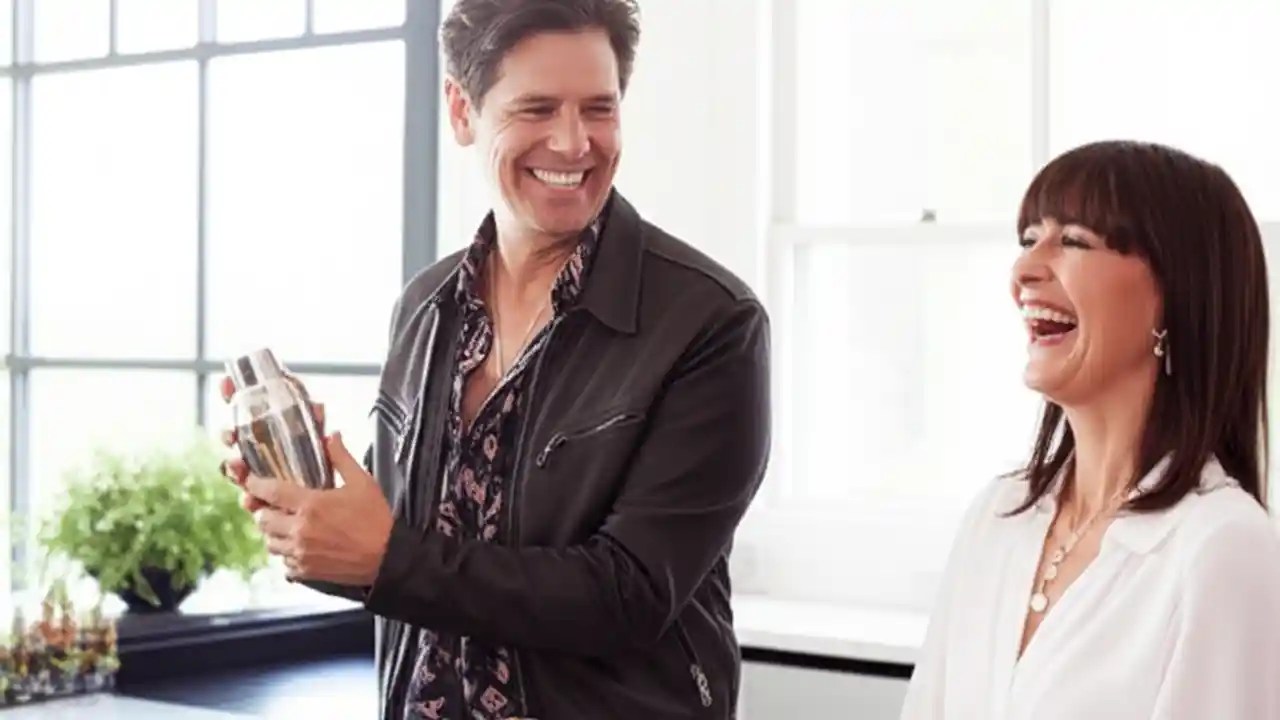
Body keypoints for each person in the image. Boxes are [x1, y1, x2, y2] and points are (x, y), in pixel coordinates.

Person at [219, 1, 771, 718]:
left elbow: (627, 596)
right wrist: (311, 514)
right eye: (536, 109)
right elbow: (400, 564)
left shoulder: (712, 325)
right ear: (462, 110)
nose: (575, 144)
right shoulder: (425, 308)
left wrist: (387, 556)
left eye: (599, 110)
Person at [900, 140, 1280, 719]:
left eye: (1073, 241)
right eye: (1029, 239)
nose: (1024, 270)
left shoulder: (1222, 550)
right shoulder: (999, 516)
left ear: (1175, 295)